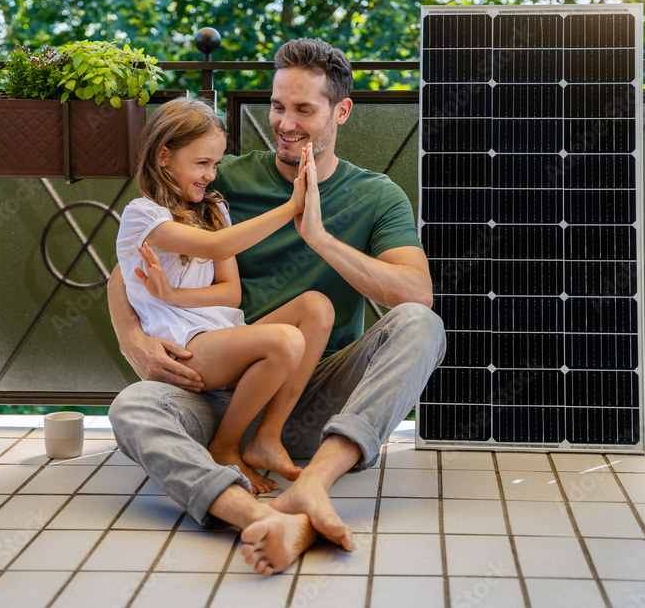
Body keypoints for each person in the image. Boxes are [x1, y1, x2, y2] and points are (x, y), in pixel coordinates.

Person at [107, 38, 446, 576]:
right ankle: (255, 517)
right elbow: (127, 270)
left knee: (421, 325)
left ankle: (311, 486)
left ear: (342, 110)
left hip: (318, 397)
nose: (285, 124)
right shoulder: (221, 179)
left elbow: (416, 293)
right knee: (131, 409)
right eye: (278, 106)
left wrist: (320, 238)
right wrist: (135, 340)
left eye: (304, 110)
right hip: (216, 390)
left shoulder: (376, 195)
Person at [116, 96, 335, 494]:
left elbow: (231, 294)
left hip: (220, 337)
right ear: (163, 157)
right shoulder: (141, 216)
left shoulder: (214, 208)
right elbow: (216, 249)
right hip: (187, 349)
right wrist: (293, 207)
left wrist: (174, 294)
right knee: (285, 340)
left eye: (215, 164)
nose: (211, 175)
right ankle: (225, 447)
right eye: (202, 164)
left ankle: (266, 438)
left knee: (316, 308)